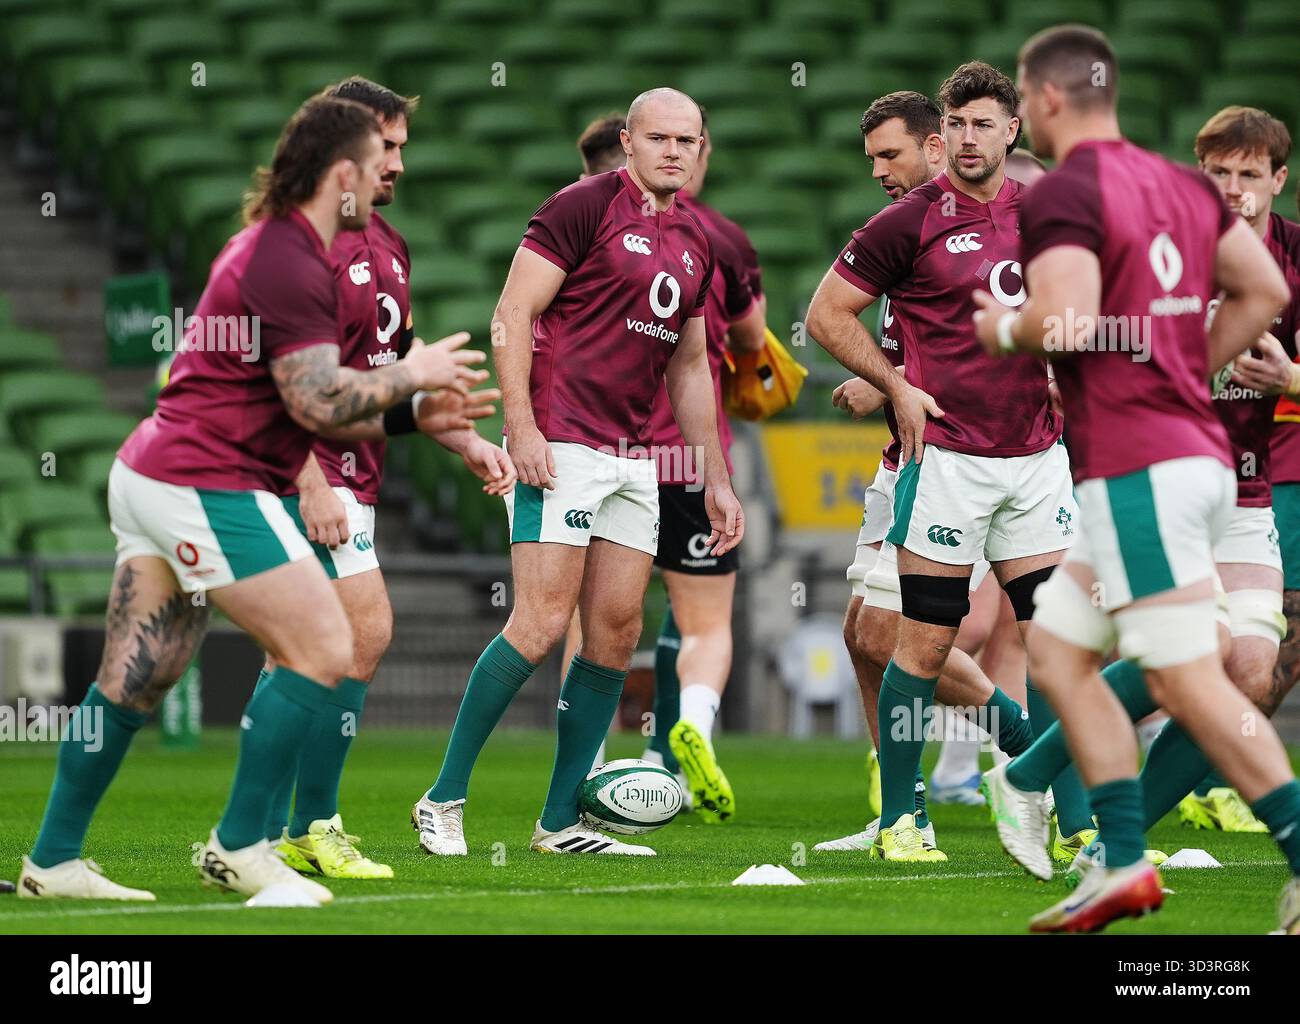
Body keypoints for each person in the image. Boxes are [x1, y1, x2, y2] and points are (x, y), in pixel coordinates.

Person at [18, 96, 483, 903]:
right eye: (379, 163)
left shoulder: (278, 247)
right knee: (326, 648)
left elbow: (317, 404)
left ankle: (52, 862)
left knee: (136, 679)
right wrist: (413, 375)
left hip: (156, 474)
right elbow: (316, 405)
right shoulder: (290, 259)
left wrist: (411, 417)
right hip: (205, 479)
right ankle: (243, 846)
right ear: (343, 173)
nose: (390, 175)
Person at [975, 25, 1300, 934]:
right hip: (1189, 460)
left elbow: (1067, 323)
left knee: (1192, 680)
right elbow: (1266, 290)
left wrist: (1002, 326)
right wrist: (1187, 367)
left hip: (1141, 466)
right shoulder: (1180, 184)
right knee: (1059, 652)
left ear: (1041, 101)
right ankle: (1115, 861)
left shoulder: (1069, 189)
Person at [412, 88, 743, 857]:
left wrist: (715, 479)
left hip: (637, 460)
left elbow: (691, 369)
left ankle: (560, 823)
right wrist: (521, 427)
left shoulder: (698, 243)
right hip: (562, 444)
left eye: (686, 140)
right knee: (539, 624)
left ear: (701, 149)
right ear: (626, 142)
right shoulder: (580, 206)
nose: (672, 151)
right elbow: (512, 315)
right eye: (657, 137)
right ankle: (443, 797)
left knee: (617, 632)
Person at [808, 65, 1079, 862]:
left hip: (1033, 462)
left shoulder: (1050, 218)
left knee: (1050, 642)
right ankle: (906, 813)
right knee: (900, 638)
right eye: (956, 125)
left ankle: (1076, 816)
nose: (967, 138)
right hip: (941, 461)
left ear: (1011, 132)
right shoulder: (907, 222)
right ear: (944, 134)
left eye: (982, 124)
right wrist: (893, 386)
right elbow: (829, 315)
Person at [257, 77, 516, 881]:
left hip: (356, 469)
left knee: (311, 652)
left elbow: (383, 374)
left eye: (403, 145)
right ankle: (287, 827)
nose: (398, 162)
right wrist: (307, 481)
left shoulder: (387, 244)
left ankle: (276, 830)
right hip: (303, 470)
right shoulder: (301, 246)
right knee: (352, 635)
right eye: (387, 145)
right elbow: (271, 378)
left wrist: (464, 438)